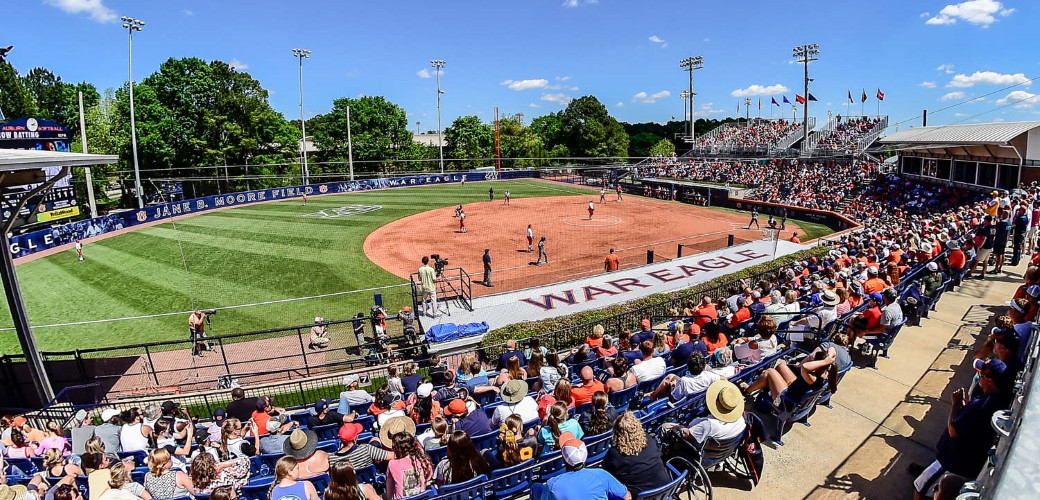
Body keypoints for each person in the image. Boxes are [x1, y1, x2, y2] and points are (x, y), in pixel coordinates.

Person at [911, 359, 1012, 500]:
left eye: (981, 374)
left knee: (920, 489)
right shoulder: (999, 401)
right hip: (967, 462)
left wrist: (955, 404)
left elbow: (953, 430)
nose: (978, 376)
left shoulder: (981, 404)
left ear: (989, 380)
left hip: (953, 462)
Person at [539, 431, 632, 500]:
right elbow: (627, 496)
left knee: (536, 488)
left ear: (564, 459)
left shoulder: (553, 485)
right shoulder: (601, 475)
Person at [663, 380, 746, 454]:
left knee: (665, 427)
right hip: (722, 452)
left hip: (700, 451)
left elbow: (687, 434)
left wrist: (680, 427)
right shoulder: (742, 421)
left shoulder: (707, 425)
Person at [601, 412, 671, 497]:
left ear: (616, 432)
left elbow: (606, 473)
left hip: (641, 496)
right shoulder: (649, 440)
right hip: (665, 491)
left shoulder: (615, 454)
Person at [385, 432, 433, 499]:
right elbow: (428, 477)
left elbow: (389, 493)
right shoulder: (423, 460)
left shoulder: (392, 464)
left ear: (396, 448)